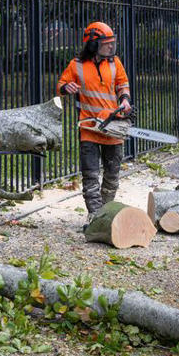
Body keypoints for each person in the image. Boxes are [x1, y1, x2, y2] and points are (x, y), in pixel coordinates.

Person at [57, 22, 132, 223]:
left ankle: (105, 213)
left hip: (112, 128)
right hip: (89, 128)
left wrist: (124, 99)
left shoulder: (115, 63)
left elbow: (122, 84)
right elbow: (61, 85)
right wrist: (66, 88)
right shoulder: (77, 65)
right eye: (106, 44)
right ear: (92, 44)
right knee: (90, 177)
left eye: (112, 43)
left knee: (112, 176)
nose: (111, 47)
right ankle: (94, 217)